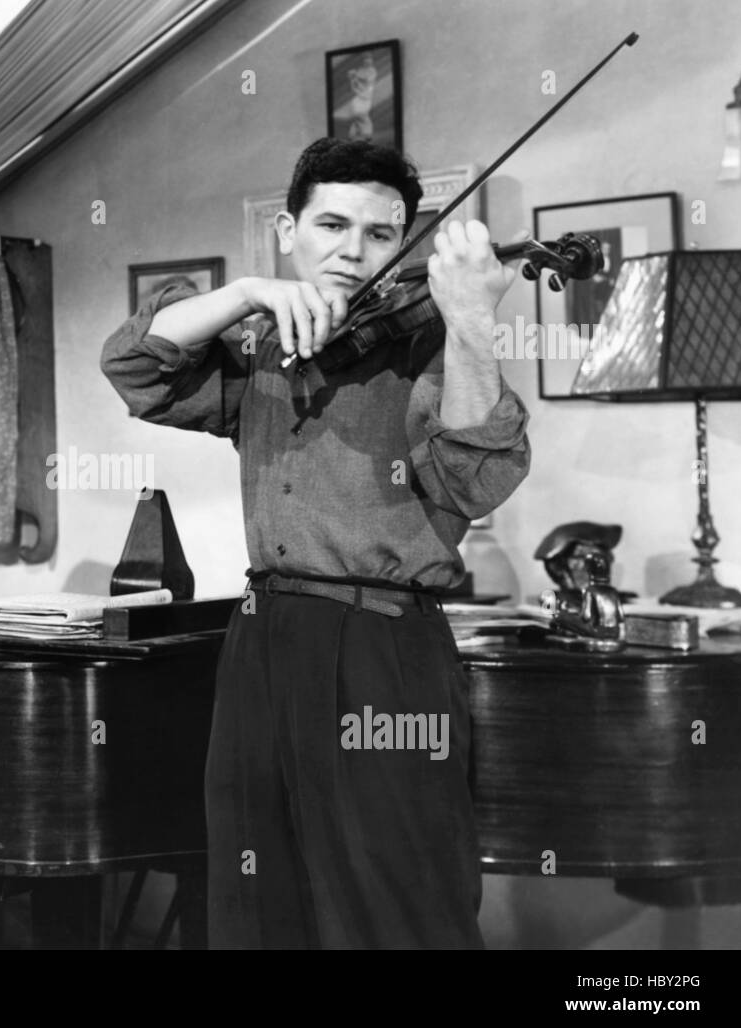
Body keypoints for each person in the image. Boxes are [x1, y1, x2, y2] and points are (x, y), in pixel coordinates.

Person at [101, 137, 531, 949]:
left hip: (381, 651)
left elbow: (476, 479)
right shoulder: (266, 341)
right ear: (286, 229)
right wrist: (247, 293)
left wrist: (473, 322)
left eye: (381, 233)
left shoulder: (432, 345)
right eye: (331, 225)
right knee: (257, 906)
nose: (354, 250)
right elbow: (136, 366)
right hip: (260, 643)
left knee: (399, 903)